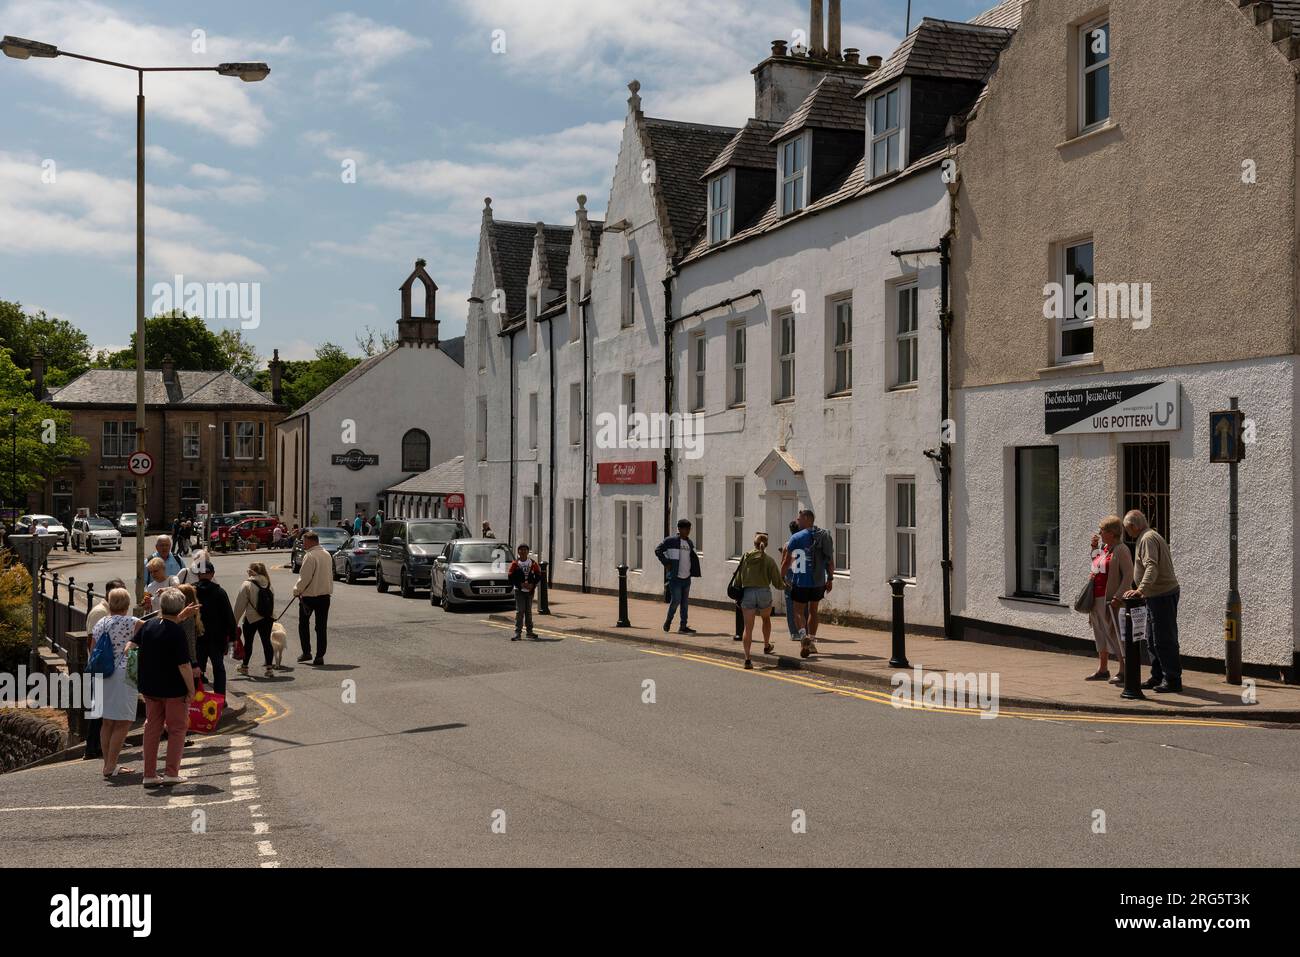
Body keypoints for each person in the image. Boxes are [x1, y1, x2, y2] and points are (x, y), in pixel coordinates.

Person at [136, 587, 198, 787]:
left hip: (150, 687)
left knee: (152, 729)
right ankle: (171, 773)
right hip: (174, 689)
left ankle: (149, 774)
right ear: (179, 607)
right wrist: (191, 689)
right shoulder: (177, 632)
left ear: (160, 606)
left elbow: (131, 646)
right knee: (177, 729)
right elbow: (184, 665)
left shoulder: (148, 626)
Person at [1122, 510, 1182, 693]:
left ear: (1133, 526)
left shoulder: (1147, 538)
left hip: (1162, 595)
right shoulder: (1147, 536)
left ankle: (1172, 679)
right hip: (1154, 595)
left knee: (1163, 638)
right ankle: (1158, 676)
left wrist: (1141, 590)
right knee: (1151, 639)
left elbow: (1151, 566)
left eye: (1127, 528)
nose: (1127, 532)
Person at [89, 588, 142, 779]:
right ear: (127, 605)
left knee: (107, 721)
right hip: (126, 672)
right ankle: (111, 765)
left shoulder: (101, 623)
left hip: (102, 673)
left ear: (109, 603)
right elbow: (153, 628)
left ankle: (108, 764)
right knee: (124, 721)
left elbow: (93, 650)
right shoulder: (133, 622)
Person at [781, 508, 835, 659]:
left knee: (798, 611)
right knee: (813, 610)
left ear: (806, 519)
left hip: (800, 581)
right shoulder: (824, 536)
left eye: (799, 519)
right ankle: (811, 641)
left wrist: (781, 578)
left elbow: (786, 562)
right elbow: (830, 562)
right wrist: (830, 579)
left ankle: (803, 635)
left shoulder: (796, 538)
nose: (797, 522)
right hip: (818, 581)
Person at [1087, 515, 1134, 684]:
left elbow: (1129, 574)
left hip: (1111, 598)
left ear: (1112, 532)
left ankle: (1123, 670)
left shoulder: (1121, 549)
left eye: (1103, 530)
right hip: (1097, 597)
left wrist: (1118, 596)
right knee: (1099, 631)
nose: (1100, 532)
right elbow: (1096, 567)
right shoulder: (1105, 548)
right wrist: (1094, 548)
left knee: (1115, 634)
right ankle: (1103, 669)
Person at [735, 533, 787, 670]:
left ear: (754, 544)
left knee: (748, 627)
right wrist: (786, 586)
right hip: (764, 592)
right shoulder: (769, 560)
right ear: (766, 545)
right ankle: (766, 645)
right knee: (766, 619)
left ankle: (747, 659)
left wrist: (738, 592)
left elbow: (738, 578)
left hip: (748, 593)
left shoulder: (745, 557)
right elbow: (777, 582)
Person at [192, 555, 237, 695]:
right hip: (216, 638)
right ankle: (220, 697)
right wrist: (233, 637)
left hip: (197, 638)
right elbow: (229, 616)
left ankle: (195, 699)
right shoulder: (220, 592)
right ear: (212, 574)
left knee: (196, 669)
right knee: (219, 668)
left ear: (198, 575)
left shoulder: (191, 592)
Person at [654, 519, 701, 634]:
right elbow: (658, 550)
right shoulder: (670, 541)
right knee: (676, 601)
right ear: (679, 529)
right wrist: (666, 562)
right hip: (675, 578)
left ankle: (683, 626)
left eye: (689, 529)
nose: (688, 531)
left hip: (687, 577)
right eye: (686, 529)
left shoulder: (689, 543)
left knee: (685, 603)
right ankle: (668, 621)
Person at [294, 530, 333, 665]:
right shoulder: (327, 554)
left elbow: (304, 577)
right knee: (321, 627)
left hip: (309, 597)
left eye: (305, 542)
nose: (303, 544)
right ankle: (320, 655)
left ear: (311, 541)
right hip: (325, 596)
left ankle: (306, 652)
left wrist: (296, 590)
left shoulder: (310, 556)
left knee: (304, 625)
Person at [233, 561, 275, 678]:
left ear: (252, 572)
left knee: (249, 643)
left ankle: (245, 667)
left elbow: (240, 605)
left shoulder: (247, 584)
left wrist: (234, 621)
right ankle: (269, 668)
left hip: (252, 618)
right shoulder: (268, 583)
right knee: (266, 642)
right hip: (267, 617)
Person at [507, 543, 541, 640]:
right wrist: (520, 584)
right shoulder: (515, 563)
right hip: (519, 591)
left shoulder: (533, 563)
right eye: (521, 550)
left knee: (528, 612)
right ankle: (518, 633)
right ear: (518, 552)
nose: (523, 552)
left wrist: (532, 585)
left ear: (527, 552)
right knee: (520, 611)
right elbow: (510, 577)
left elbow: (538, 576)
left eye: (525, 550)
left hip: (530, 591)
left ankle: (529, 632)